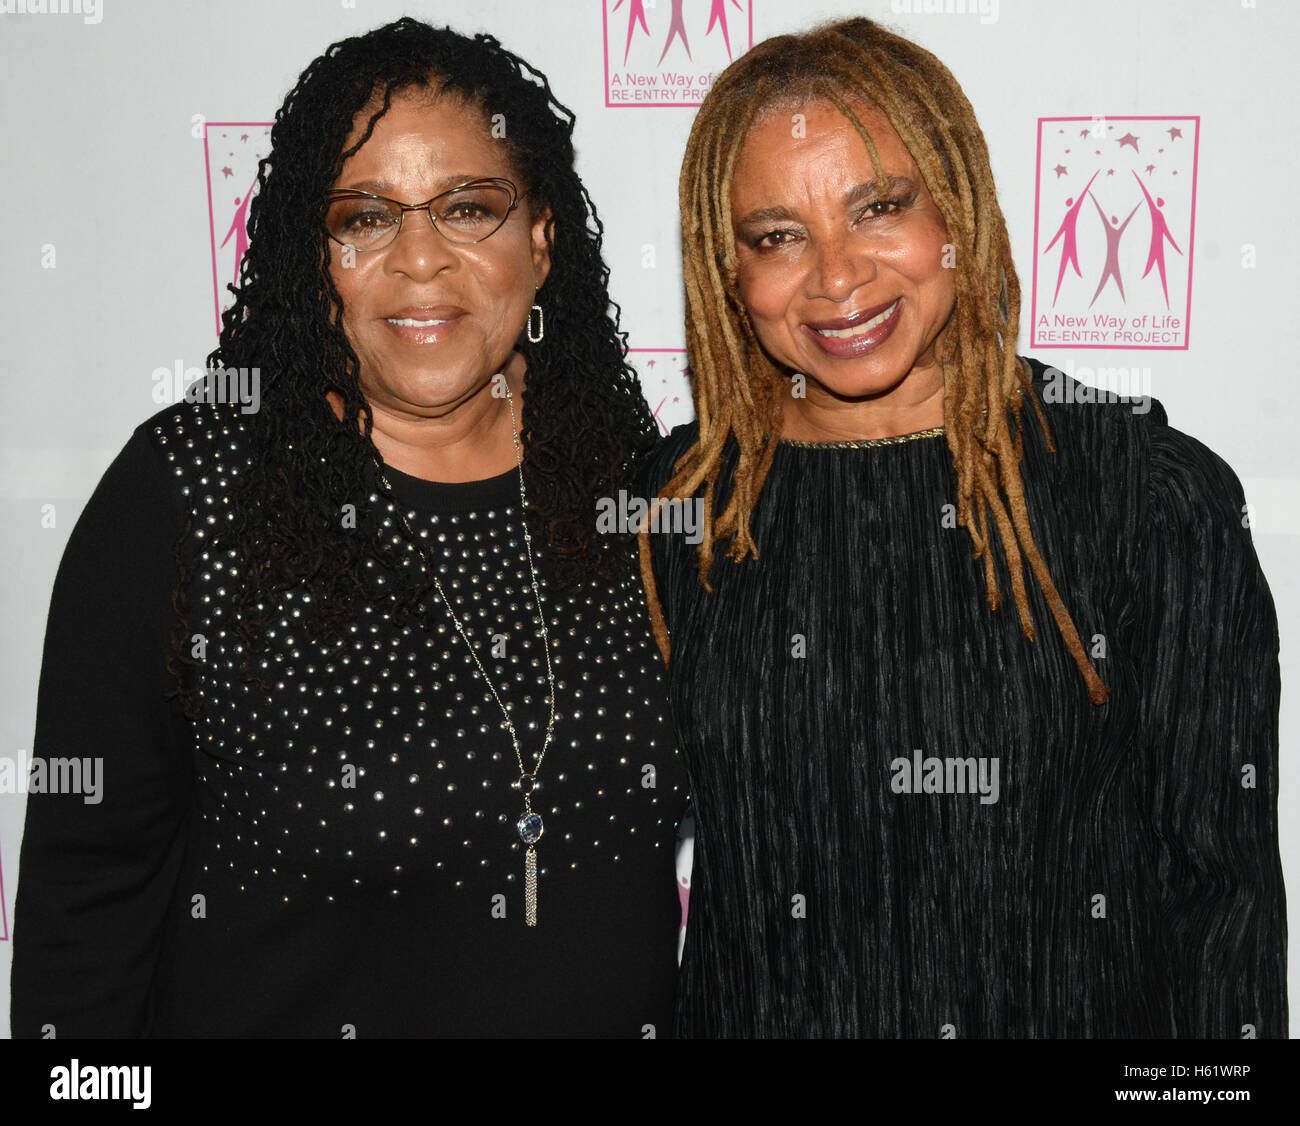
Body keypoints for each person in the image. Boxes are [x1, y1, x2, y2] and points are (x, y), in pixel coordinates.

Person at [11, 18, 687, 1038]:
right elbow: (85, 905)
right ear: (308, 256)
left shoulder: (641, 501)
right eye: (365, 218)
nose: (420, 259)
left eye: (469, 207)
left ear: (541, 237)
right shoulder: (191, 493)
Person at [640, 16, 1286, 1038]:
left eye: (879, 207)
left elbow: (1223, 909)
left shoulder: (1144, 497)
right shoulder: (670, 511)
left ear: (959, 212)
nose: (836, 275)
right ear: (728, 271)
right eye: (776, 235)